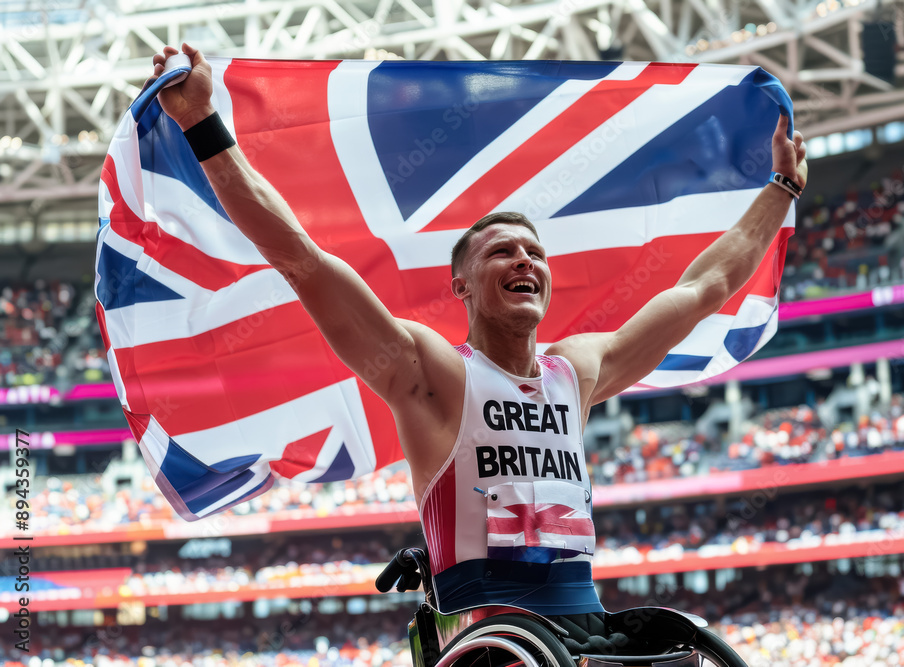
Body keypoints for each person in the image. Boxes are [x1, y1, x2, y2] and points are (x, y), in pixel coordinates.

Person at [148, 44, 807, 638]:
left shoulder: (577, 370)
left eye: (534, 252)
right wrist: (203, 125)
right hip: (490, 635)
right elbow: (302, 259)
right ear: (460, 284)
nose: (525, 261)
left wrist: (781, 188)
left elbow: (705, 287)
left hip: (584, 625)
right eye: (502, 252)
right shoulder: (429, 372)